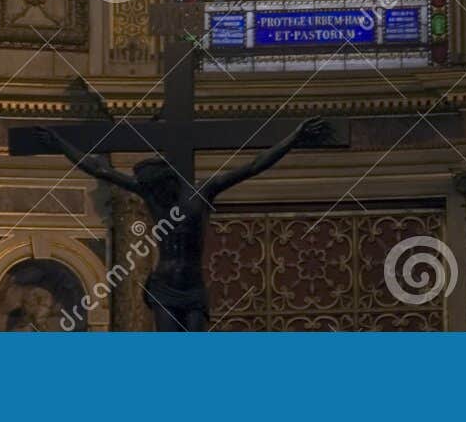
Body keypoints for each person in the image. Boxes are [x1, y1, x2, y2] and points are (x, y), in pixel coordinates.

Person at [33, 117, 332, 331]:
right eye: (150, 188)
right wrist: (60, 144)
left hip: (191, 288)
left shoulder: (201, 193)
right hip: (163, 286)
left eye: (157, 187)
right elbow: (100, 170)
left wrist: (294, 138)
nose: (154, 193)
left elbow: (253, 166)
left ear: (170, 181)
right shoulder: (152, 194)